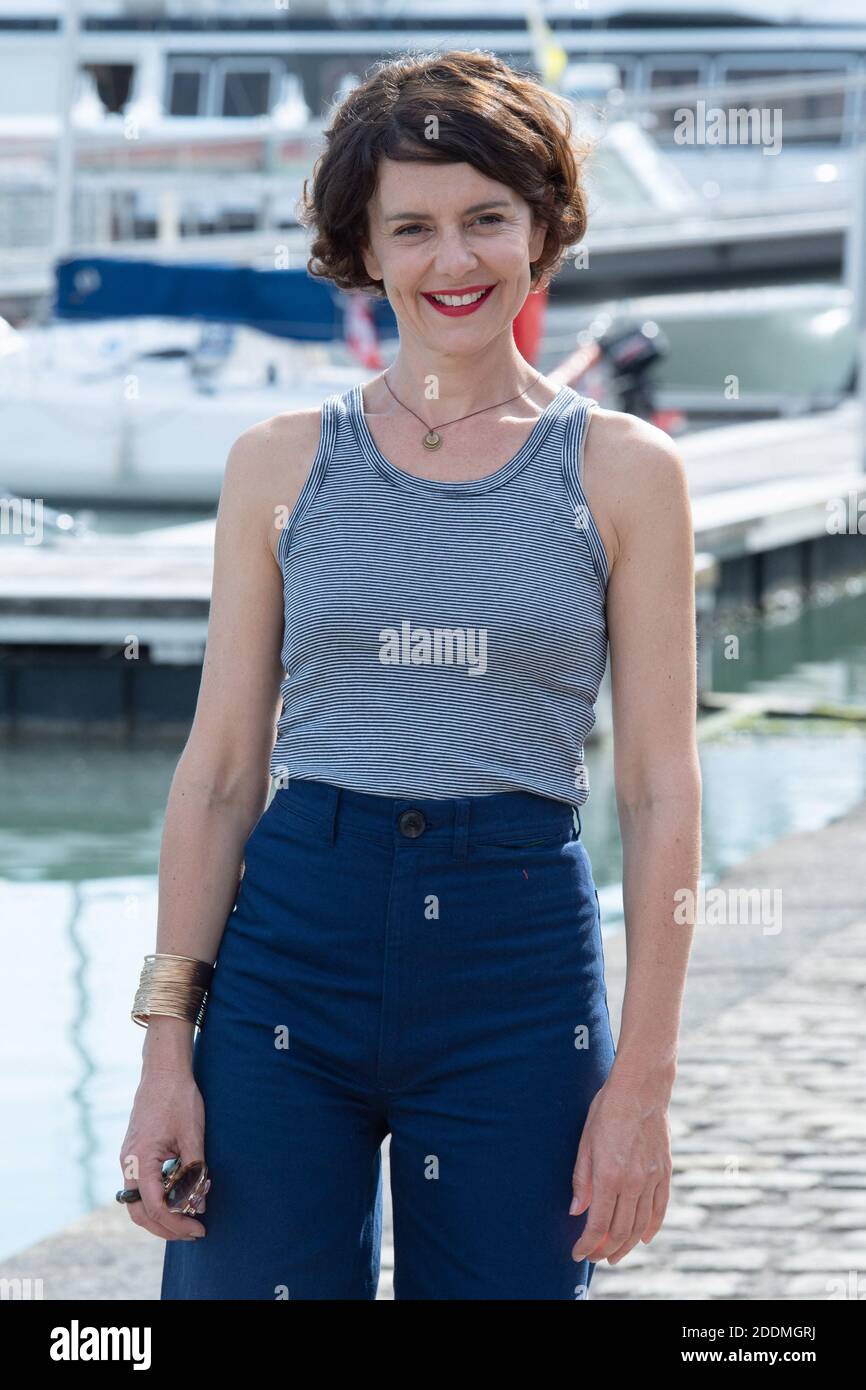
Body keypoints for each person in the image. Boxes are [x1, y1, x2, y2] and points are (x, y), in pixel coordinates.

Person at [119, 49, 701, 1301]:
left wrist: (641, 1083)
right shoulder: (276, 467)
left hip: (516, 971)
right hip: (290, 952)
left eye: (487, 219)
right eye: (414, 227)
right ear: (362, 247)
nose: (455, 261)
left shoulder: (626, 474)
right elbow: (219, 774)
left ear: (542, 229)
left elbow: (660, 789)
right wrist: (166, 1054)